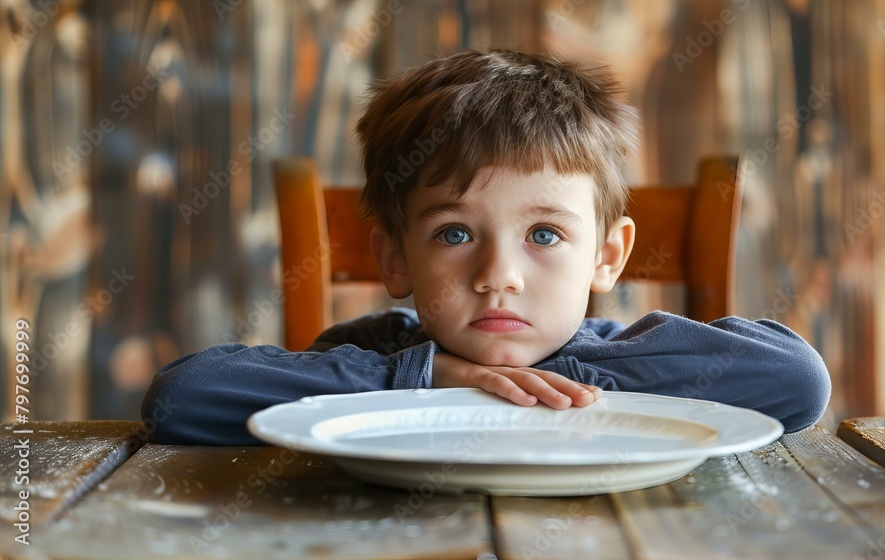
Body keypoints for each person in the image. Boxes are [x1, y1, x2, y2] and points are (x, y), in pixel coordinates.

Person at [142, 49, 830, 445]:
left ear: (608, 254)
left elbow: (796, 381)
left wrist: (560, 391)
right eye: (454, 233)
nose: (498, 276)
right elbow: (183, 398)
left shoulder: (623, 357)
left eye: (544, 234)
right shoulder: (374, 357)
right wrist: (420, 382)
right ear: (395, 260)